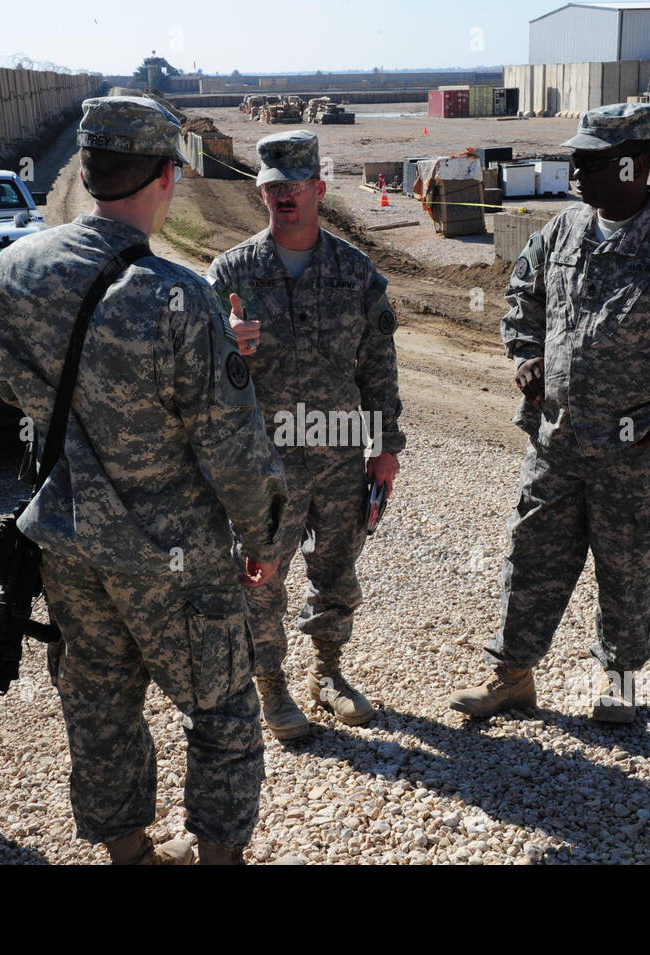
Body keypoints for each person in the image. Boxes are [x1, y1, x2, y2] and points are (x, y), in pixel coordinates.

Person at [0, 97, 288, 865]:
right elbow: (237, 449)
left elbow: (6, 383)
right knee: (219, 710)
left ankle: (130, 856)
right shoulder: (181, 294)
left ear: (86, 169)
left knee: (100, 708)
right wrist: (265, 541)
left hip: (69, 547)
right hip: (173, 555)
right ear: (166, 176)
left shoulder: (15, 269)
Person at [450, 103, 650, 723]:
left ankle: (622, 686)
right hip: (557, 441)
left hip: (639, 456)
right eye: (574, 158)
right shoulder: (561, 232)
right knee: (532, 557)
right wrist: (525, 353)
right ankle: (512, 677)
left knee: (629, 574)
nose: (573, 170)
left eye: (589, 160)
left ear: (633, 164)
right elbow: (524, 296)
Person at [205, 130, 404, 740]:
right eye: (273, 186)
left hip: (341, 453)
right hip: (264, 463)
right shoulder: (231, 273)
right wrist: (223, 343)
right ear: (261, 192)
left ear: (319, 188)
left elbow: (378, 362)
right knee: (260, 576)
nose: (284, 195)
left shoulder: (354, 271)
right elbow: (194, 372)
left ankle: (329, 674)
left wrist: (386, 446)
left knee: (337, 570)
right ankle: (272, 689)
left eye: (296, 185)